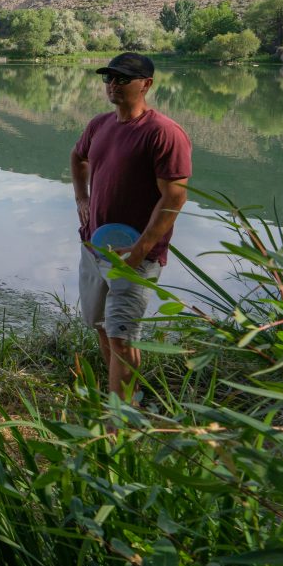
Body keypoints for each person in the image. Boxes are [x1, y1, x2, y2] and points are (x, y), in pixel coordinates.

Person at [70, 52, 191, 404]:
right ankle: (129, 398)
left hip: (135, 255)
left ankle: (118, 419)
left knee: (122, 336)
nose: (113, 85)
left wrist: (139, 252)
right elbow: (77, 157)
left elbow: (174, 198)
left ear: (146, 85)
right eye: (109, 78)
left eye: (123, 79)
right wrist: (81, 198)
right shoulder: (99, 125)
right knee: (101, 327)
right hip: (94, 247)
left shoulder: (164, 133)